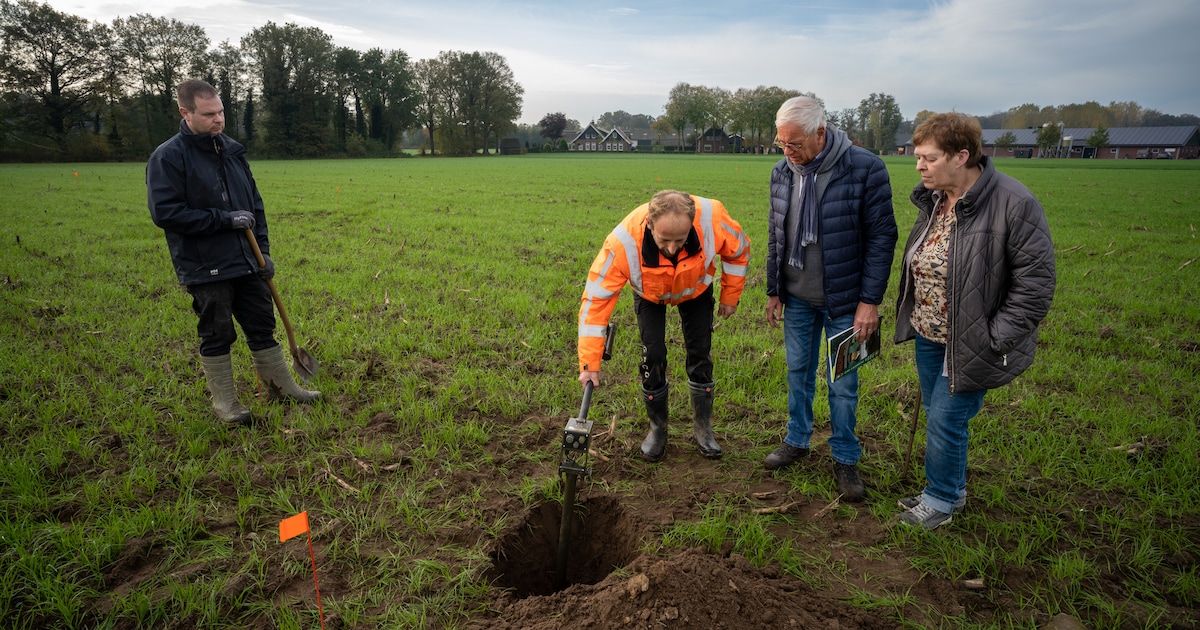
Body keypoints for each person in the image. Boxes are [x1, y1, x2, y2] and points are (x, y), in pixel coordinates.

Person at [894, 112, 1055, 529]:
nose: (919, 166)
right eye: (918, 157)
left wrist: (991, 338)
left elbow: (1034, 286)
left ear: (962, 156)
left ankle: (941, 501)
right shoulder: (934, 200)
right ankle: (951, 487)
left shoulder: (1014, 203)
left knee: (947, 418)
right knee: (937, 413)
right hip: (929, 333)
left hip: (972, 341)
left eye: (928, 158)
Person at [147, 79, 319, 426]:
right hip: (205, 264)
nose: (218, 119)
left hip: (247, 259)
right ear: (185, 112)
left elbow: (255, 207)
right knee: (217, 331)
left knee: (261, 323)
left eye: (221, 111)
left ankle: (281, 387)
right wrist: (223, 220)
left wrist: (264, 254)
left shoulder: (231, 151)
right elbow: (165, 213)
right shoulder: (168, 157)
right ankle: (226, 403)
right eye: (209, 114)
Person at [763, 96, 898, 502]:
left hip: (849, 304)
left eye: (795, 144)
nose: (788, 153)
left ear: (820, 133)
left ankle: (844, 457)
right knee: (797, 373)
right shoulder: (782, 171)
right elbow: (776, 232)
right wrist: (774, 289)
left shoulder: (866, 168)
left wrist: (870, 301)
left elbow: (882, 238)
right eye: (781, 144)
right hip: (798, 298)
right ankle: (797, 440)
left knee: (844, 383)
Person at [578, 190, 750, 461]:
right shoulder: (622, 242)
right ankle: (658, 429)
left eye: (680, 240)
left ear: (692, 225)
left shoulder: (712, 219)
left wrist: (730, 296)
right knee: (654, 355)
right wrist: (589, 365)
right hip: (650, 294)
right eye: (664, 240)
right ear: (649, 224)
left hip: (696, 291)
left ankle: (703, 428)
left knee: (700, 353)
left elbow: (738, 249)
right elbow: (595, 302)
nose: (672, 248)